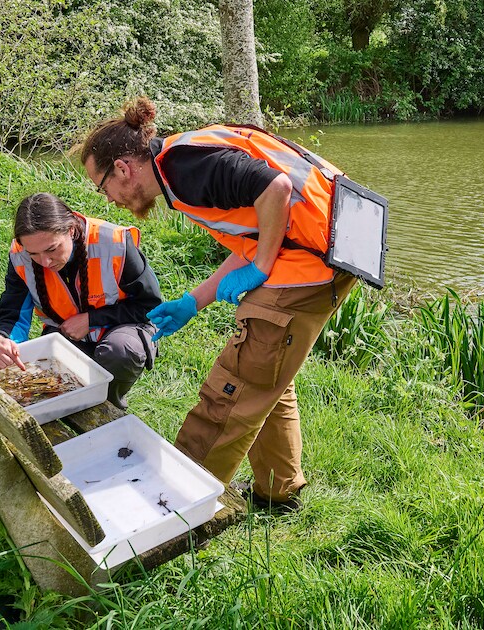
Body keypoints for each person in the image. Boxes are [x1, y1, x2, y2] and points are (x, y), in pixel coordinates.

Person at [79, 97, 357, 513]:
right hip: (333, 242)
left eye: (102, 187)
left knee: (235, 386)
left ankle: (175, 510)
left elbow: (276, 189)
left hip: (310, 263)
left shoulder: (186, 170)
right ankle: (278, 494)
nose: (107, 199)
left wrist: (262, 266)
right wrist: (195, 300)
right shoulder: (179, 161)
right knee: (266, 372)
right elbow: (254, 228)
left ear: (122, 168)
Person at [0, 193, 163, 410]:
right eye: (34, 254)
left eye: (52, 249)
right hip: (65, 333)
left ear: (71, 230)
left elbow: (151, 306)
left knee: (120, 352)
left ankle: (108, 407)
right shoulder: (20, 255)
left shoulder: (114, 243)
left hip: (124, 329)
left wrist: (92, 320)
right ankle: (71, 407)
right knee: (52, 378)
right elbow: (13, 309)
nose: (45, 262)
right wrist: (1, 338)